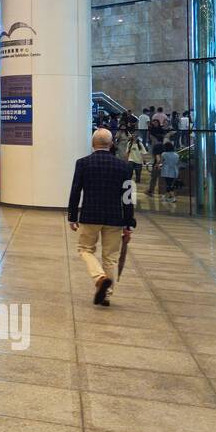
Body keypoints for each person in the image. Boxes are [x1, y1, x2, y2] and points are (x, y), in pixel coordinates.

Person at [67, 129, 136, 307]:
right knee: (110, 257)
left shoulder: (83, 163)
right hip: (115, 218)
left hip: (90, 215)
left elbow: (76, 191)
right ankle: (106, 295)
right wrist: (129, 223)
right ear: (111, 144)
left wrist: (72, 216)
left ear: (92, 144)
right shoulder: (124, 167)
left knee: (85, 249)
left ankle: (99, 278)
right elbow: (128, 198)